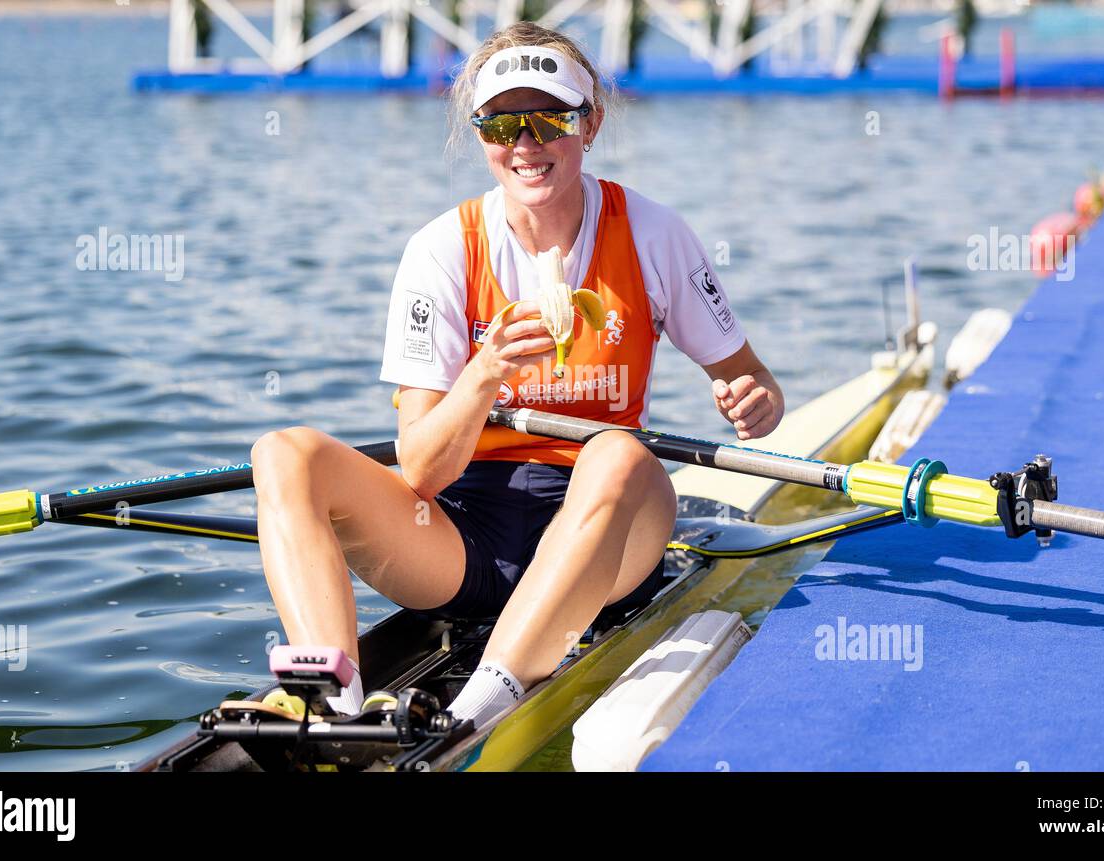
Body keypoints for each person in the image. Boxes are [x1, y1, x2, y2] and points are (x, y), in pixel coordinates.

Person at [250, 21, 784, 726]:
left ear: (589, 125)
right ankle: (336, 697)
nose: (525, 143)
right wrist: (486, 371)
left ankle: (478, 711)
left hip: (608, 534)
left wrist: (754, 402)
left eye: (548, 118)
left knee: (620, 453)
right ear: (480, 134)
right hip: (464, 538)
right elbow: (422, 470)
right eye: (502, 122)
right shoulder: (441, 250)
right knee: (282, 454)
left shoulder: (654, 234)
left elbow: (756, 383)